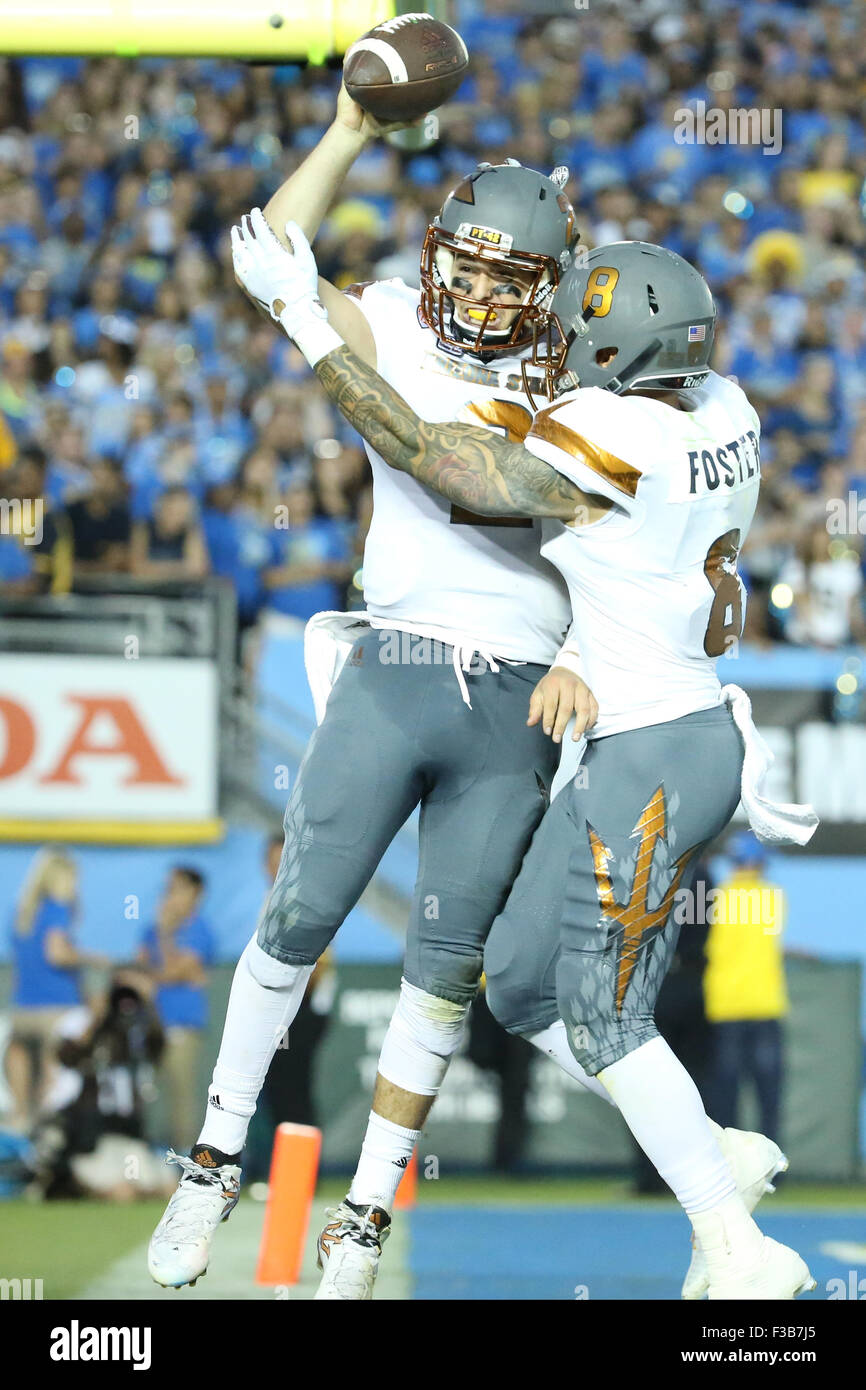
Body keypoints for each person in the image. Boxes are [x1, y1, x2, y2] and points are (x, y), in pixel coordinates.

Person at [245, 226, 820, 1299]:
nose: (564, 343)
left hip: (655, 748)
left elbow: (432, 453)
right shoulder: (725, 407)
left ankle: (737, 1244)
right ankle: (715, 1149)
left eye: (583, 333)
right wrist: (572, 647)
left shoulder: (614, 438)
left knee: (602, 1017)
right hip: (650, 727)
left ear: (623, 356)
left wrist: (310, 324)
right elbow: (618, 553)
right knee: (512, 983)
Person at [147, 88, 592, 1294]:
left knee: (441, 969)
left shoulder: (593, 384)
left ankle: (362, 1219)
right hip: (394, 661)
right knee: (297, 917)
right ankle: (209, 1158)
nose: (484, 296)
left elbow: (468, 476)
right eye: (471, 269)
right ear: (439, 255)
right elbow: (271, 257)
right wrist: (349, 127)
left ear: (556, 289)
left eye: (513, 279)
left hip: (517, 690)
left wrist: (310, 329)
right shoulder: (398, 315)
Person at [6, 848, 105, 1132]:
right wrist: (90, 957)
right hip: (58, 1008)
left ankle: (21, 1120)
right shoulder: (57, 909)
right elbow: (57, 954)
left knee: (21, 1075)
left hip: (24, 1008)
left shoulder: (22, 912)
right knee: (54, 1082)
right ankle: (47, 1131)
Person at [704, 831, 788, 1146]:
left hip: (724, 1006)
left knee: (725, 1095)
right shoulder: (772, 896)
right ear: (756, 861)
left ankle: (731, 1165)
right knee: (769, 1095)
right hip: (765, 1005)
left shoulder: (713, 898)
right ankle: (772, 1168)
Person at [137, 867, 215, 1152]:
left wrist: (165, 936)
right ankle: (145, 1157)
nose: (170, 895)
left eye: (178, 888)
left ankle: (183, 1161)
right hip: (151, 1024)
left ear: (196, 893)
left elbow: (172, 970)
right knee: (145, 1093)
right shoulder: (151, 929)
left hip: (183, 1025)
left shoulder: (199, 930)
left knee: (181, 1097)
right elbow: (140, 969)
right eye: (168, 887)